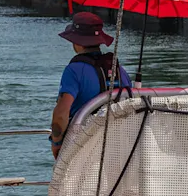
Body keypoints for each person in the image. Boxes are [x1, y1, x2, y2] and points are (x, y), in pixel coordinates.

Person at [49, 11, 132, 157]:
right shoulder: (119, 70)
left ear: (77, 42)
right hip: (116, 145)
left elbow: (61, 114)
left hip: (82, 146)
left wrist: (56, 142)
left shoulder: (74, 70)